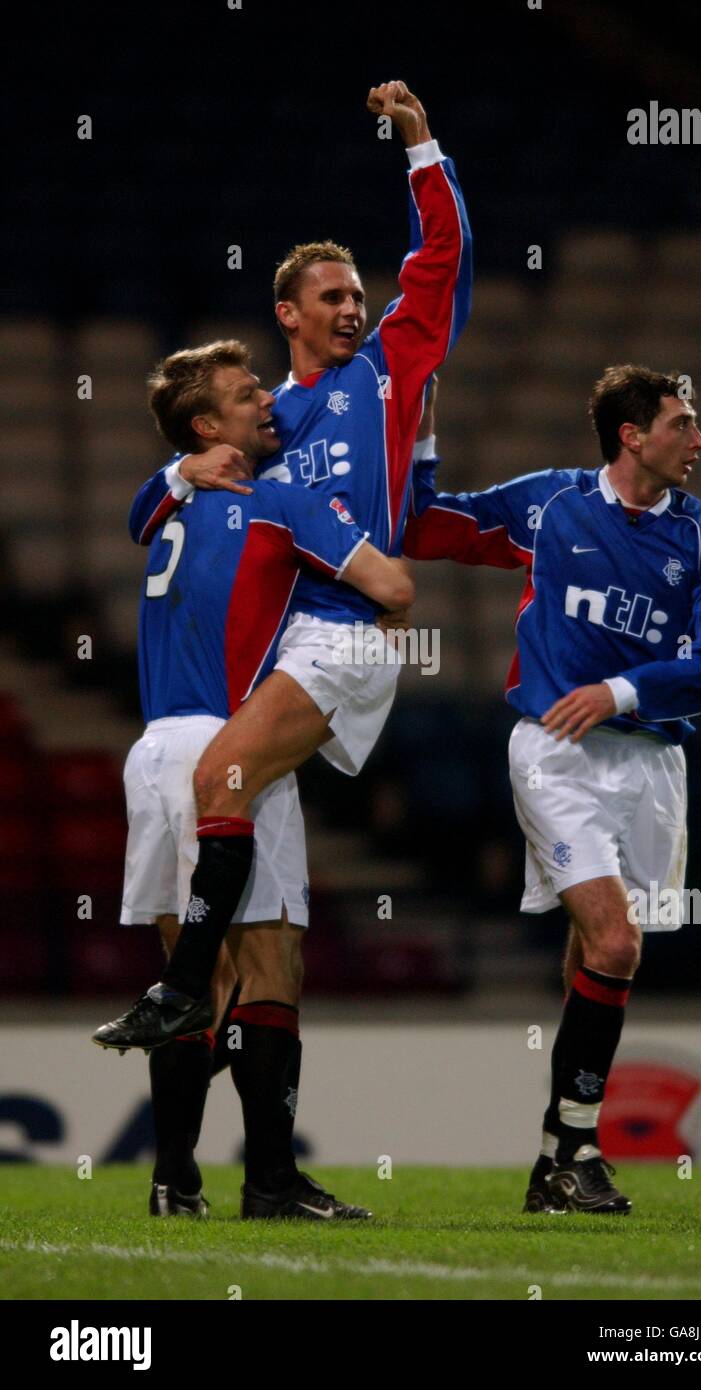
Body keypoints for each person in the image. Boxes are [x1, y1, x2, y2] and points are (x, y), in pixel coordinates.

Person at [98, 78, 472, 1046]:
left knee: (218, 774)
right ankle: (245, 1134)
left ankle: (182, 988)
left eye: (358, 295)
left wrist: (419, 148)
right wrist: (182, 468)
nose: (353, 308)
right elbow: (152, 514)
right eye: (333, 297)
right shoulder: (273, 426)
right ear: (288, 313)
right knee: (254, 873)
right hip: (291, 655)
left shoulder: (383, 375)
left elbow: (439, 263)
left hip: (345, 638)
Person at [404, 366, 701, 1213]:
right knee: (617, 943)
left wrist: (622, 691)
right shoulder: (550, 506)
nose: (698, 441)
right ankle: (580, 1144)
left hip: (651, 761)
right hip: (557, 749)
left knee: (604, 950)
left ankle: (557, 1158)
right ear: (632, 435)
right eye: (682, 424)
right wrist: (420, 436)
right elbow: (422, 528)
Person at [94, 339, 413, 1220]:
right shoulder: (280, 501)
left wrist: (178, 473)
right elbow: (392, 583)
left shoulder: (169, 502)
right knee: (269, 967)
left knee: (189, 977)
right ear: (207, 425)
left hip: (152, 752)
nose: (267, 402)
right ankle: (272, 1182)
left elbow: (137, 510)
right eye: (245, 395)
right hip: (233, 744)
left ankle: (173, 1182)